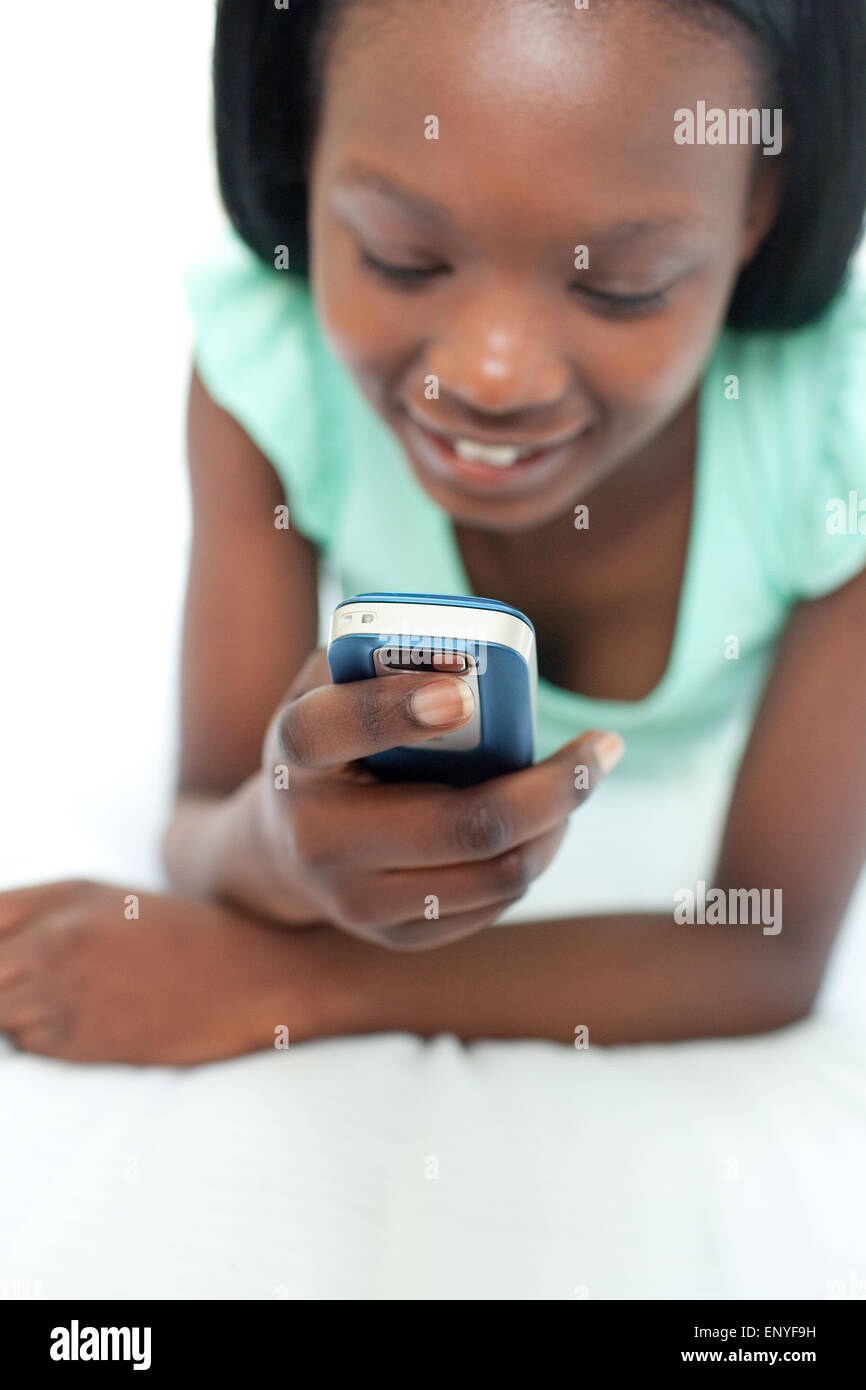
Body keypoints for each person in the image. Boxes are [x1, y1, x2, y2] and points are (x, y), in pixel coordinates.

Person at [2, 0, 865, 1064]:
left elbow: (766, 943)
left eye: (616, 285)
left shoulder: (839, 429)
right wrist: (278, 836)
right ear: (300, 154)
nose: (493, 373)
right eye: (400, 258)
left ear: (755, 205)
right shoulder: (268, 369)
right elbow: (202, 814)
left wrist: (276, 980)